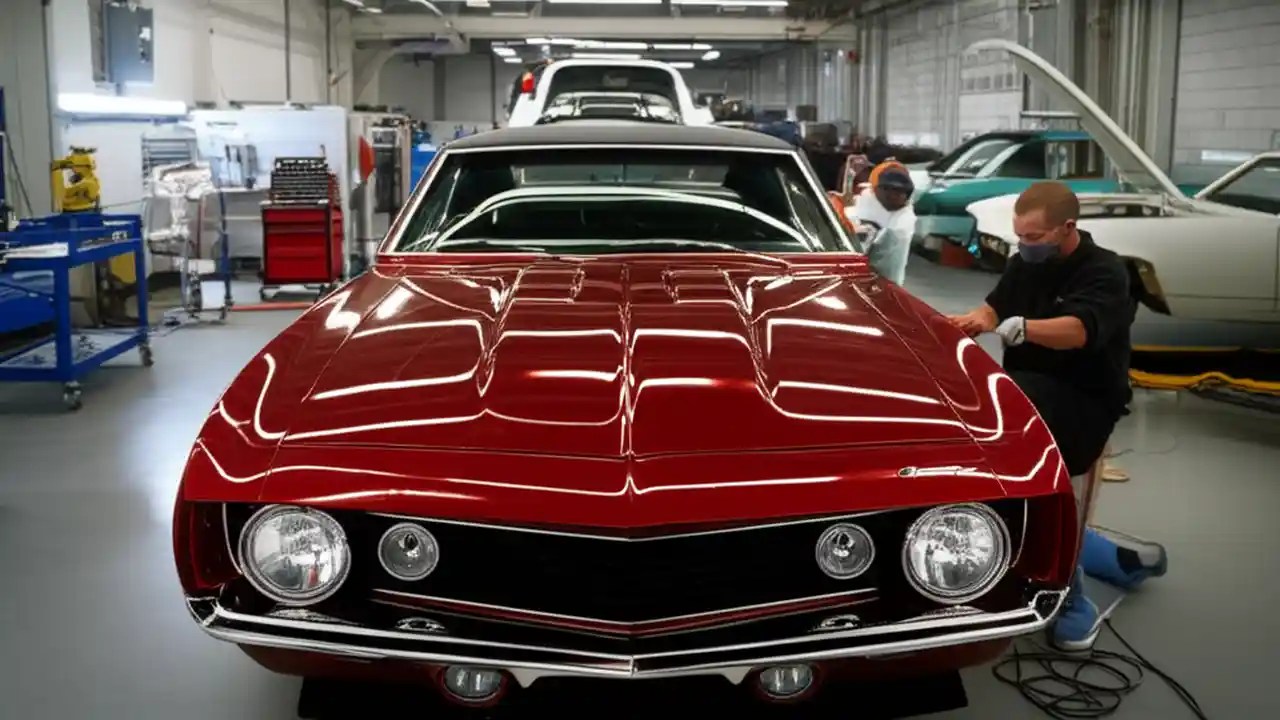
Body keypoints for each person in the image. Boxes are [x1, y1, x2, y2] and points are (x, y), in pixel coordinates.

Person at [946, 181, 1166, 652]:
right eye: (1019, 236)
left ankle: (1071, 597)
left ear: (1067, 228)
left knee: (1058, 497)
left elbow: (1080, 331)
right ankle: (1095, 553)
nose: (1024, 246)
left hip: (1083, 401)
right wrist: (978, 319)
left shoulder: (1106, 272)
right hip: (1026, 395)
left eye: (1033, 237)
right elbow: (996, 304)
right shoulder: (1024, 264)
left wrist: (1025, 329)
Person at [847, 161, 915, 286]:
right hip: (860, 283)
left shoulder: (903, 218)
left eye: (899, 191)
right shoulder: (858, 212)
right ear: (876, 189)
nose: (893, 195)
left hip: (890, 283)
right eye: (887, 189)